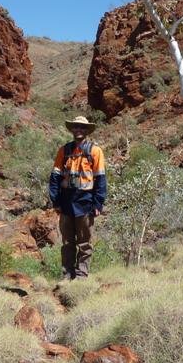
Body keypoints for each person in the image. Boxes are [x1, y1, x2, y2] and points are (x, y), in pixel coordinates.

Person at [49, 116, 107, 280]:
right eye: (76, 127)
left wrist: (98, 203)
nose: (79, 130)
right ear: (72, 130)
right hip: (66, 202)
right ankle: (67, 274)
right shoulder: (64, 151)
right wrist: (56, 201)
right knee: (67, 242)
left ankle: (82, 275)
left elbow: (101, 179)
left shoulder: (95, 151)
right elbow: (55, 177)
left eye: (82, 127)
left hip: (85, 203)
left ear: (87, 130)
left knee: (84, 243)